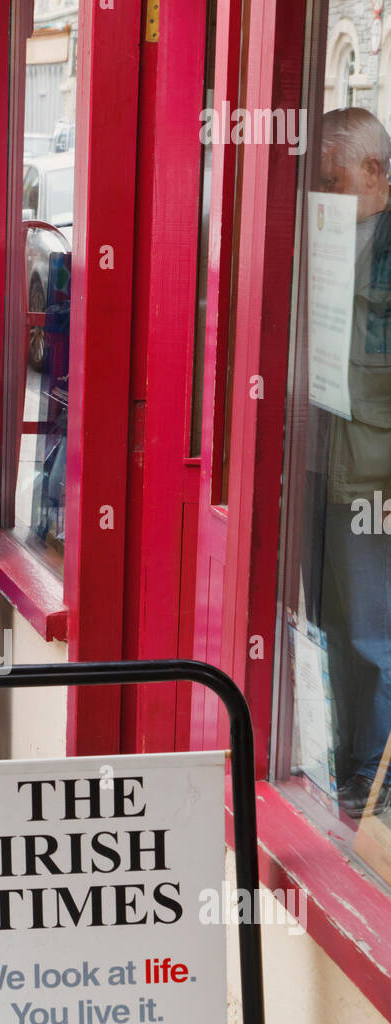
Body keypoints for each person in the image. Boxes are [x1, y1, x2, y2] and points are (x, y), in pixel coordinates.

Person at [317, 108, 391, 819]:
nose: (321, 196)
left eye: (332, 180)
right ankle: (349, 765)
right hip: (324, 466)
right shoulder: (328, 236)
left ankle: (378, 782)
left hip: (375, 473)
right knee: (333, 625)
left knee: (374, 633)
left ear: (373, 173)